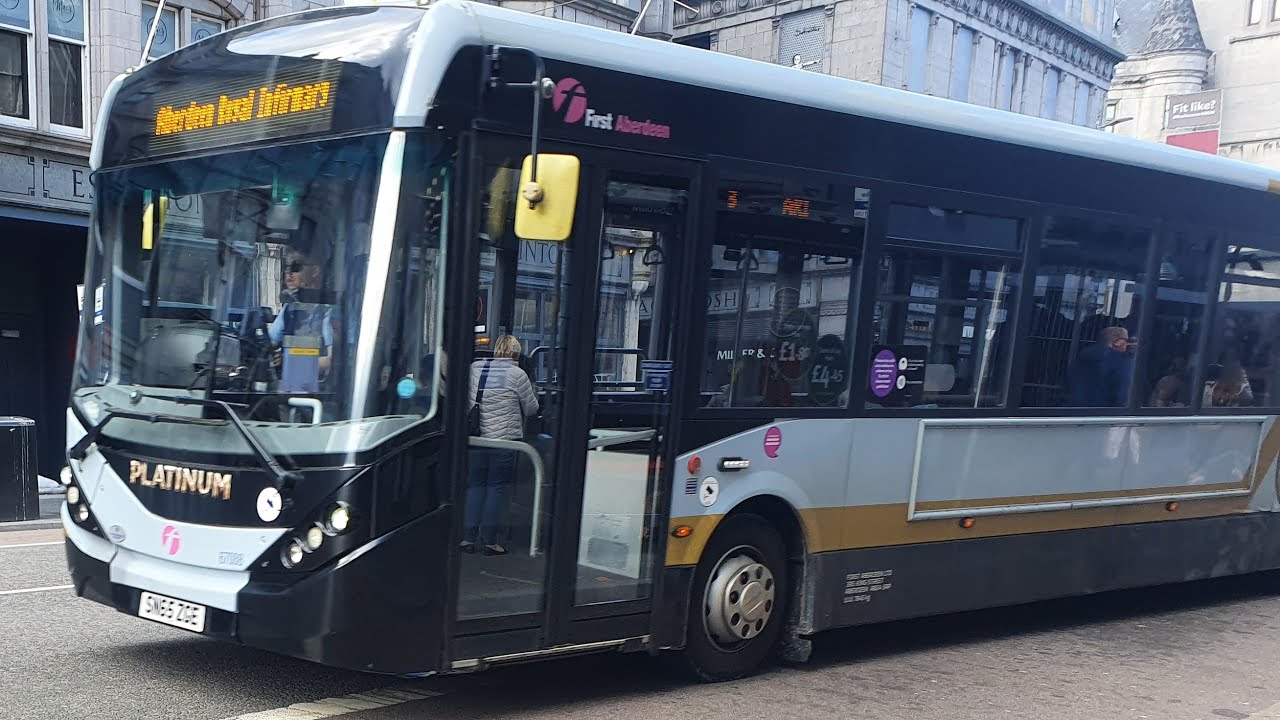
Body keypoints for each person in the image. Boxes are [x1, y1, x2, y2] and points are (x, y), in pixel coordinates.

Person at [464, 334, 538, 555]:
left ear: (496, 349)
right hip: (504, 441)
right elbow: (532, 409)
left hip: (477, 437)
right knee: (496, 488)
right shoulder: (518, 374)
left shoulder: (475, 368)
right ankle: (489, 542)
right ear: (516, 353)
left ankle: (467, 539)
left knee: (476, 486)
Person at [269, 248, 335, 375]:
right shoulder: (289, 308)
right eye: (286, 267)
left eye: (296, 267)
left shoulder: (328, 310)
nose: (288, 275)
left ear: (315, 271)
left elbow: (332, 360)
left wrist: (291, 363)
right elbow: (269, 344)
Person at [1067, 326, 1134, 407]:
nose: (1128, 344)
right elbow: (1122, 394)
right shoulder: (1122, 360)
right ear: (1117, 342)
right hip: (1105, 413)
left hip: (1074, 410)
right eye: (1126, 340)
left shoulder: (1081, 356)